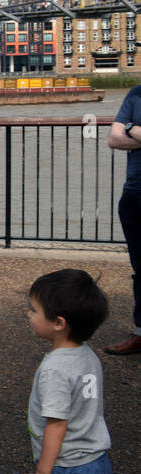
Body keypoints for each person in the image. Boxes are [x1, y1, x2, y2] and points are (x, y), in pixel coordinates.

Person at [26, 270, 112, 474]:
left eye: (34, 310)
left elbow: (57, 424)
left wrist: (44, 472)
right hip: (96, 464)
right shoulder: (87, 355)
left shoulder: (55, 369)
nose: (29, 315)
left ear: (59, 323)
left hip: (68, 468)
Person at [105, 90, 141, 355]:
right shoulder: (135, 95)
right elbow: (114, 139)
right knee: (140, 269)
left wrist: (131, 129)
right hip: (134, 194)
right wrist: (130, 130)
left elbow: (123, 134)